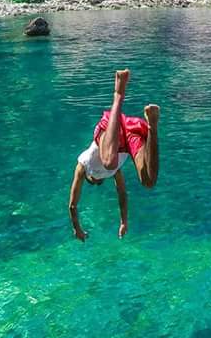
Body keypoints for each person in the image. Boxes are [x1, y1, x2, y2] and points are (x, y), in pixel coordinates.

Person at [68, 69, 160, 241]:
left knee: (109, 161)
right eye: (98, 180)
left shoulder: (83, 166)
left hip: (109, 129)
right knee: (148, 181)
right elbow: (122, 194)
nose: (96, 181)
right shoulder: (115, 173)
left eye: (93, 180)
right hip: (128, 136)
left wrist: (77, 228)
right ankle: (152, 127)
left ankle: (118, 93)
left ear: (89, 177)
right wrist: (124, 221)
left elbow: (73, 205)